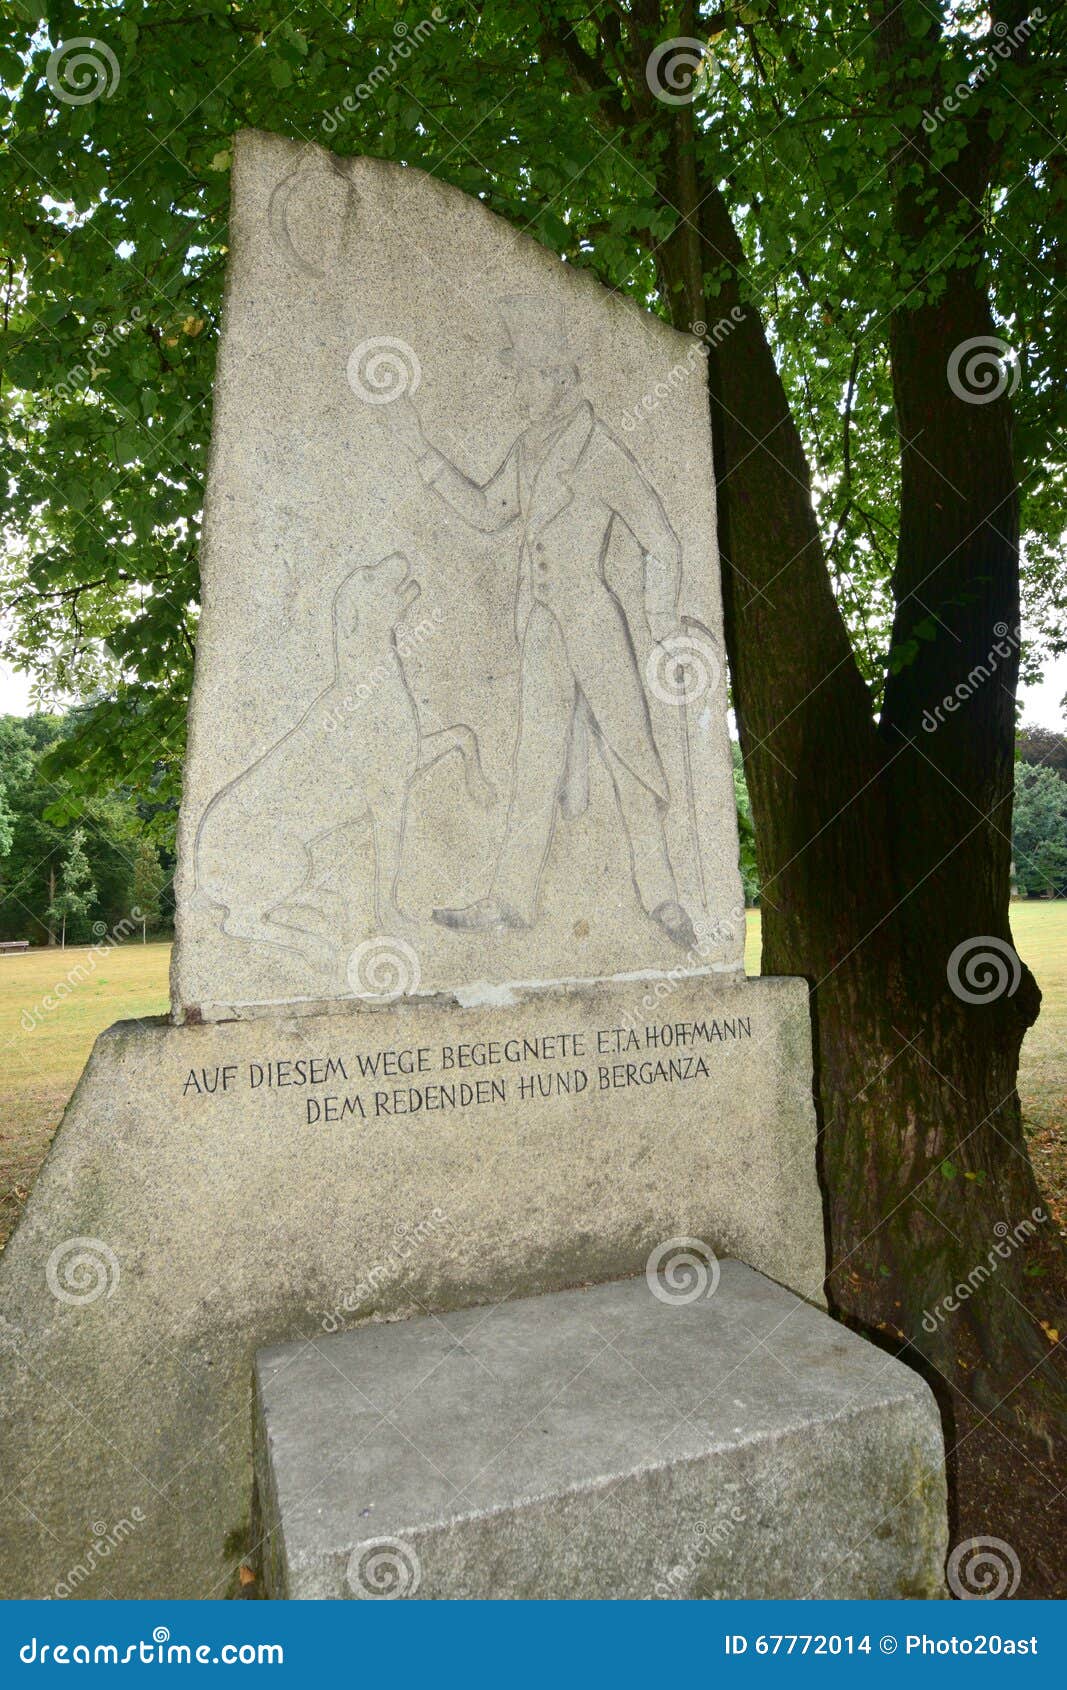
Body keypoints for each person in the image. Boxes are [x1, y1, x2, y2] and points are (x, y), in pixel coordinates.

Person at [389, 295, 696, 950]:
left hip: (592, 620)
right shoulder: (529, 449)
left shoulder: (599, 450)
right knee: (534, 766)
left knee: (630, 757)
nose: (519, 387)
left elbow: (660, 538)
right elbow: (487, 513)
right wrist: (424, 456)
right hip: (542, 629)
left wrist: (661, 619)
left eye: (527, 374)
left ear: (556, 376)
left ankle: (663, 897)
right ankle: (508, 899)